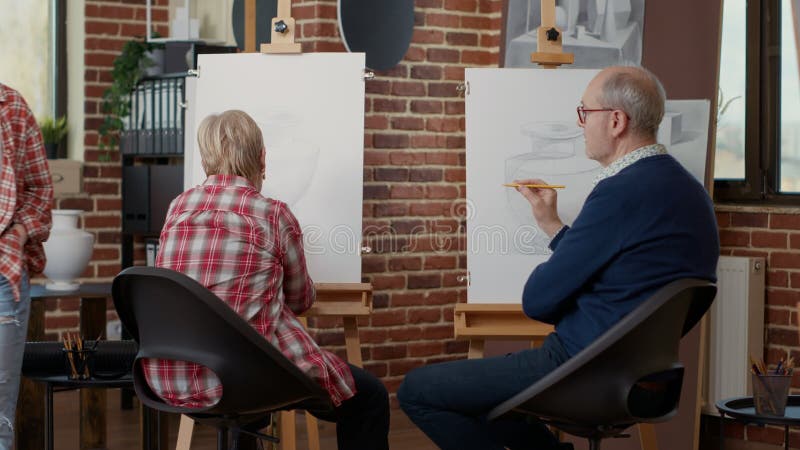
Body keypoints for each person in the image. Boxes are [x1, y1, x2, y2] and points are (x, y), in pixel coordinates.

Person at [398, 66, 720, 450]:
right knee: (484, 401)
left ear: (616, 121)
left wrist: (557, 268)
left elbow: (539, 301)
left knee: (417, 390)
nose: (579, 123)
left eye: (585, 113)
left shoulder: (618, 193)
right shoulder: (690, 193)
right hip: (644, 377)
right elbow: (625, 273)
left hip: (580, 369)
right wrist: (553, 226)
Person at [142, 110, 389, 449]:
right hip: (240, 379)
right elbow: (301, 300)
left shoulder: (178, 207)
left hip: (169, 376)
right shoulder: (273, 214)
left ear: (205, 159)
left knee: (252, 355)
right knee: (370, 399)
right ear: (262, 158)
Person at [0, 83, 53, 449]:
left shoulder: (11, 106)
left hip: (2, 273)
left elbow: (40, 189)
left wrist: (19, 232)